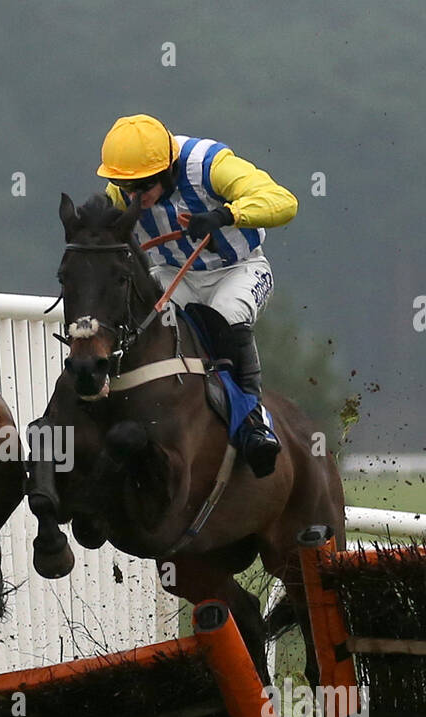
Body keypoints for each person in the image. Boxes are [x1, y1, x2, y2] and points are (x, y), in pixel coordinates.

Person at [98, 114, 297, 478]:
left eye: (143, 187)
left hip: (238, 269)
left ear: (169, 170)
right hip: (175, 274)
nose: (134, 198)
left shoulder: (209, 165)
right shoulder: (123, 192)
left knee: (226, 314)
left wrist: (226, 214)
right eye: (124, 186)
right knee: (143, 328)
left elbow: (283, 202)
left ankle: (254, 420)